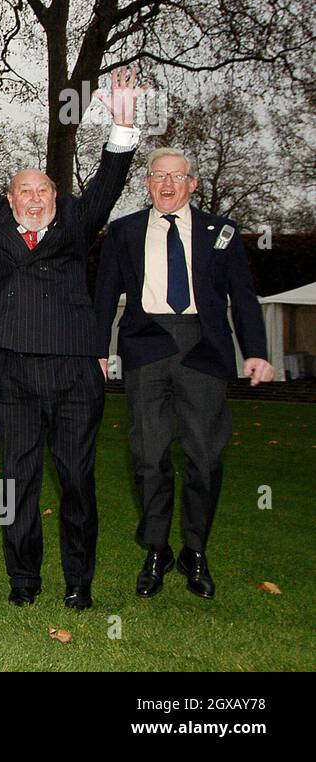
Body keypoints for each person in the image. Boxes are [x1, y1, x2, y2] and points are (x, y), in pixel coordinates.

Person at [0, 66, 144, 609]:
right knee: (19, 482)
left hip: (74, 371)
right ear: (9, 202)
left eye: (42, 189)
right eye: (22, 191)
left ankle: (79, 582)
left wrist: (122, 127)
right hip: (11, 375)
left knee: (76, 479)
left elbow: (107, 183)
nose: (33, 197)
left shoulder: (77, 224)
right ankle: (23, 582)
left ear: (57, 195)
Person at [95, 147, 273, 599]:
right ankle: (156, 548)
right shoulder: (123, 232)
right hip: (147, 346)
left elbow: (245, 298)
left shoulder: (223, 234)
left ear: (192, 184)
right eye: (159, 176)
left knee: (205, 459)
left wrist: (257, 351)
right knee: (148, 457)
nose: (168, 184)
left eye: (177, 177)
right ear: (148, 183)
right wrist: (96, 350)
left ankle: (195, 550)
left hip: (203, 350)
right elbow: (102, 296)